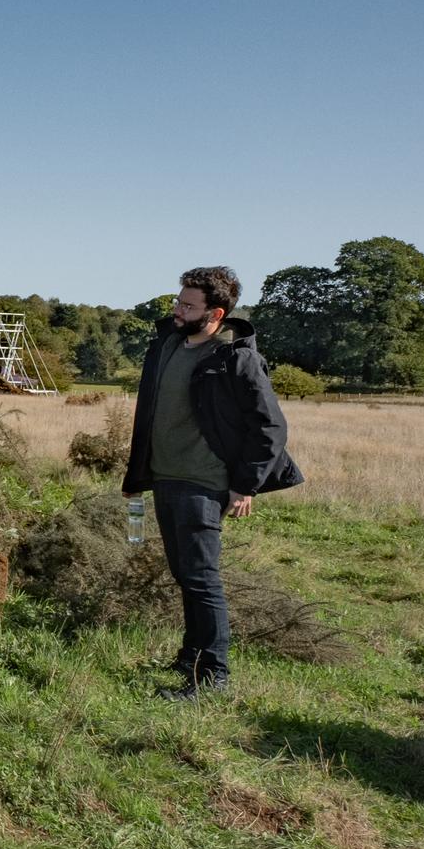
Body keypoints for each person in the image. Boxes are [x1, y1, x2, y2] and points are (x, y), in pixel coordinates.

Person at [122, 266, 302, 701]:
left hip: (204, 483)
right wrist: (137, 476)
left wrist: (246, 485)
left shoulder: (235, 358)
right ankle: (191, 657)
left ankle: (213, 678)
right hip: (166, 476)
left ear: (216, 313)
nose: (177, 309)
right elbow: (149, 415)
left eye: (188, 305)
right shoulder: (167, 345)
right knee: (185, 574)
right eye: (177, 301)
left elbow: (270, 427)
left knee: (202, 578)